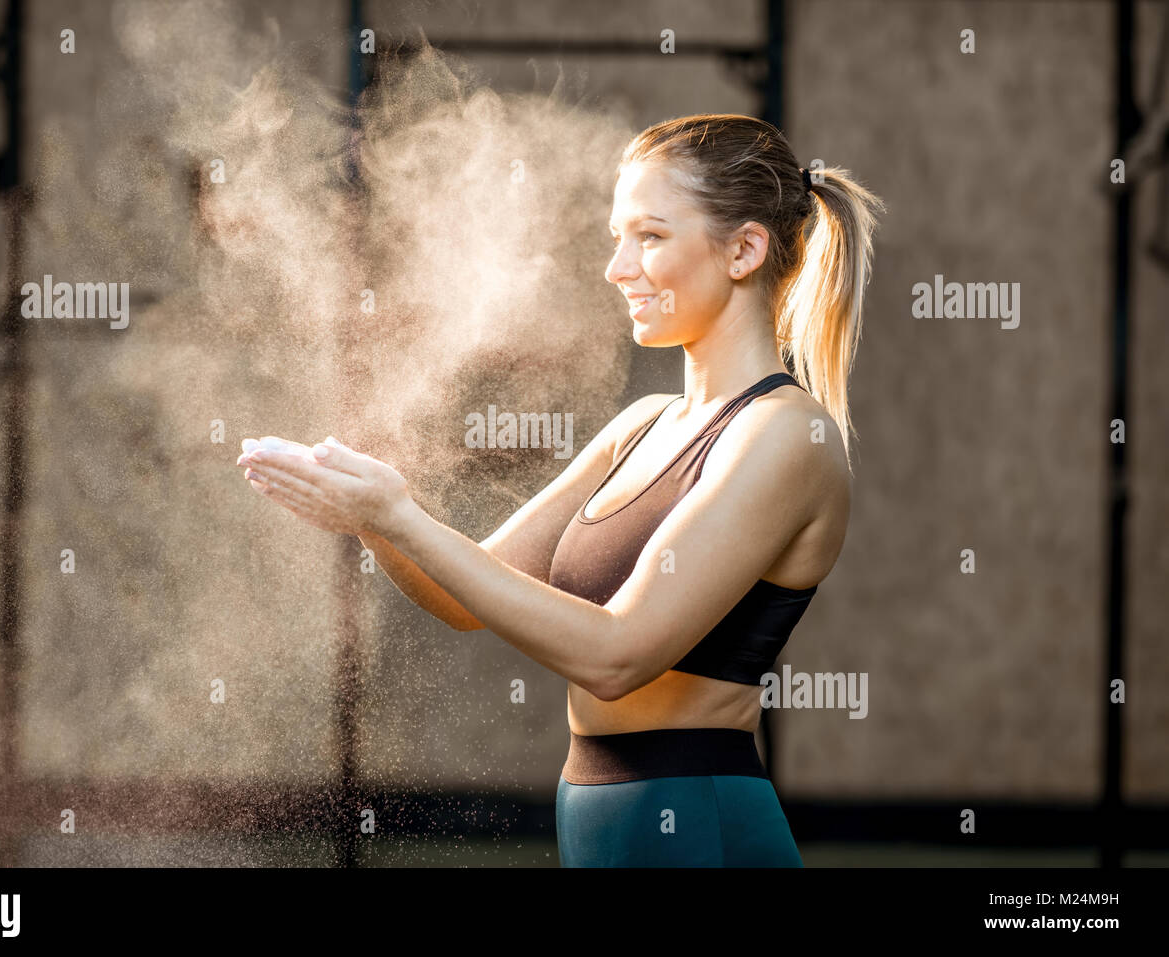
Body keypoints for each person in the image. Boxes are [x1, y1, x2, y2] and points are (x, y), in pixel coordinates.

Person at [237, 113, 884, 866]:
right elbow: (463, 595)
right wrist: (372, 514)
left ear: (743, 249)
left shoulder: (783, 435)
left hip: (697, 821)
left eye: (649, 236)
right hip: (597, 820)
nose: (617, 267)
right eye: (618, 236)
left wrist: (396, 515)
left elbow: (618, 655)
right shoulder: (640, 426)